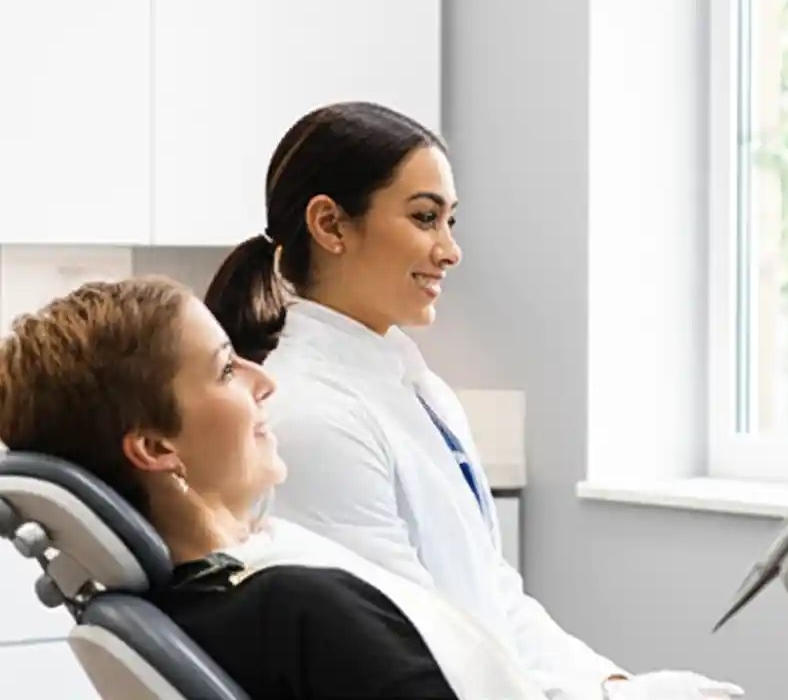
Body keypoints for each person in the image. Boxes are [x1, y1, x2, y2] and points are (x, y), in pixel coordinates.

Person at [203, 101, 743, 700]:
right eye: (425, 217)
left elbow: (493, 599)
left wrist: (609, 683)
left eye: (450, 222)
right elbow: (411, 655)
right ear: (330, 225)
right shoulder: (310, 418)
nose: (450, 250)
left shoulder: (416, 388)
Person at [0, 277, 544, 700]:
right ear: (156, 448)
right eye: (224, 370)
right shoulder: (300, 609)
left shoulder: (201, 608)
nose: (264, 380)